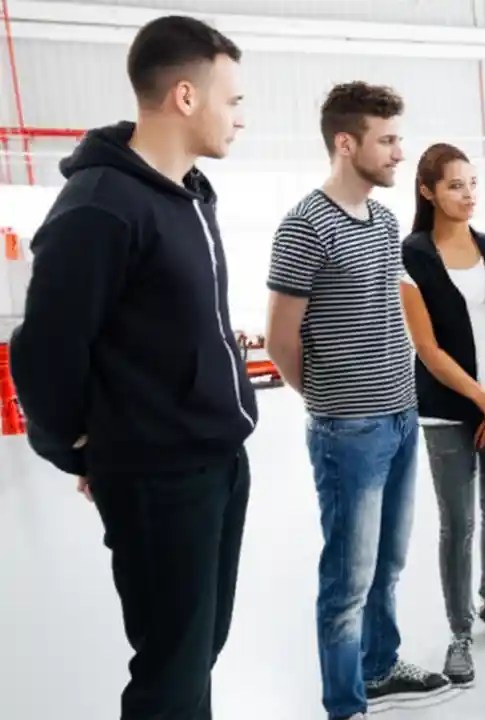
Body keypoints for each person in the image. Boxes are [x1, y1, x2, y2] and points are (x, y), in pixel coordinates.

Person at [9, 16, 256, 718]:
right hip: (158, 474)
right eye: (232, 100)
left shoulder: (189, 193)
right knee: (169, 674)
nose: (240, 117)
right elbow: (46, 348)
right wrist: (80, 447)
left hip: (216, 455)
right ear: (186, 96)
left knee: (198, 650)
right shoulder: (101, 206)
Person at [265, 82, 450, 720]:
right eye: (388, 140)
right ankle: (345, 706)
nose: (400, 152)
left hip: (401, 417)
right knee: (347, 580)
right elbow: (281, 339)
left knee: (387, 564)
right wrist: (332, 402)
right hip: (350, 429)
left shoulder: (384, 219)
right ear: (346, 144)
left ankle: (379, 667)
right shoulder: (304, 226)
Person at [400, 142, 485, 687]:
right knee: (458, 522)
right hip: (447, 407)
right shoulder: (412, 254)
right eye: (455, 185)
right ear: (427, 191)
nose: (469, 194)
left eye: (473, 183)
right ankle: (458, 632)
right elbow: (427, 349)